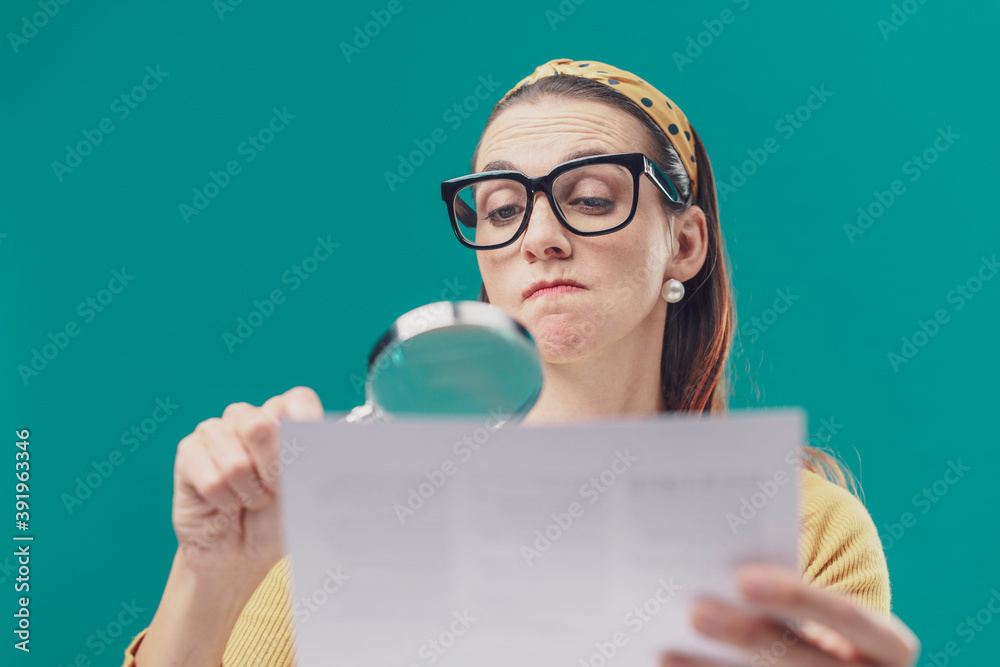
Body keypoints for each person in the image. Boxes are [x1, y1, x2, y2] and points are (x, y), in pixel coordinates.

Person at [122, 58, 920, 666]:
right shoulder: (334, 505)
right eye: (503, 208)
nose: (539, 235)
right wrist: (211, 573)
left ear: (683, 244)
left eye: (592, 196)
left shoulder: (804, 527)